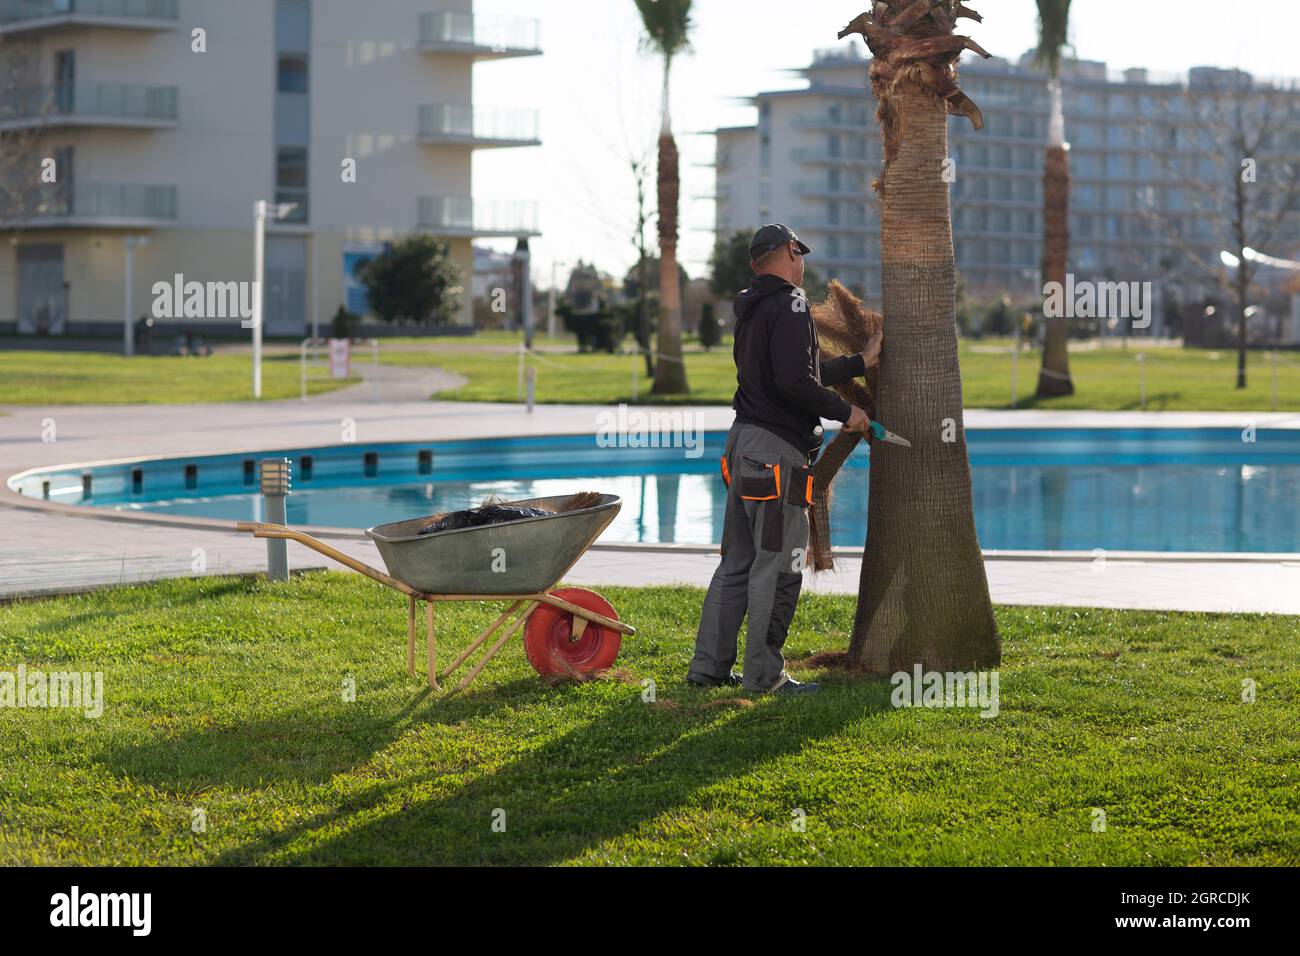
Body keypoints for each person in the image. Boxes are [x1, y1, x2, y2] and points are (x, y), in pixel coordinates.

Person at [688, 224, 881, 695]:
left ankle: (708, 668)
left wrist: (858, 363)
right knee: (777, 565)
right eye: (800, 253)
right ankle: (765, 676)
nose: (803, 263)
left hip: (743, 447)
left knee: (737, 561)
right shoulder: (793, 304)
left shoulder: (753, 305)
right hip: (776, 458)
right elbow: (797, 386)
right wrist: (849, 411)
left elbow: (795, 373)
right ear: (791, 253)